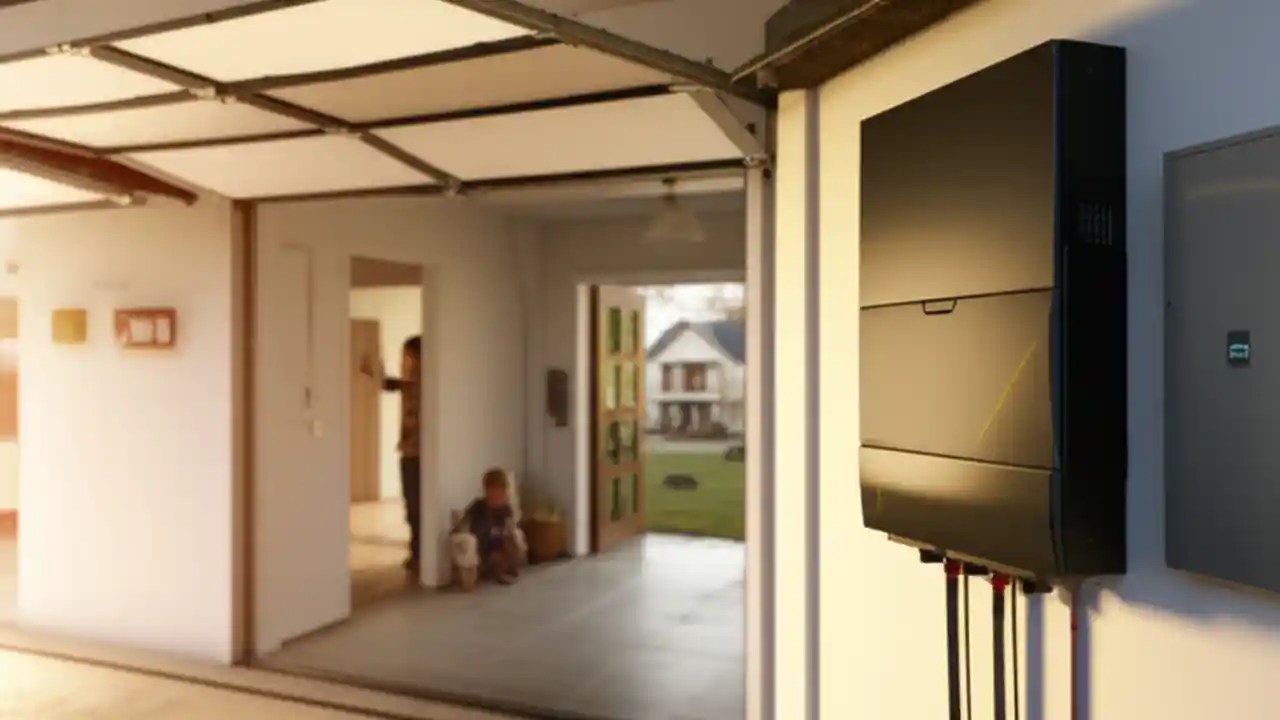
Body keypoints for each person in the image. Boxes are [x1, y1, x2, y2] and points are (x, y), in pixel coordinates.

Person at [364, 336, 421, 571]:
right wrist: (373, 371)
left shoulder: (426, 385)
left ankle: (420, 554)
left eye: (406, 357)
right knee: (412, 505)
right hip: (409, 452)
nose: (403, 362)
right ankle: (417, 552)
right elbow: (390, 384)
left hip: (419, 455)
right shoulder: (411, 384)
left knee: (417, 506)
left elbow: (393, 384)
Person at [456, 468, 520, 585]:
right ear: (486, 491)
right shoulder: (478, 506)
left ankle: (506, 567)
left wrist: (509, 531)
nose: (496, 496)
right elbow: (462, 522)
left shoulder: (506, 509)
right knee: (494, 558)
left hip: (500, 544)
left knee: (511, 543)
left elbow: (509, 528)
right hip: (483, 546)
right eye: (492, 491)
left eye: (500, 492)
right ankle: (496, 571)